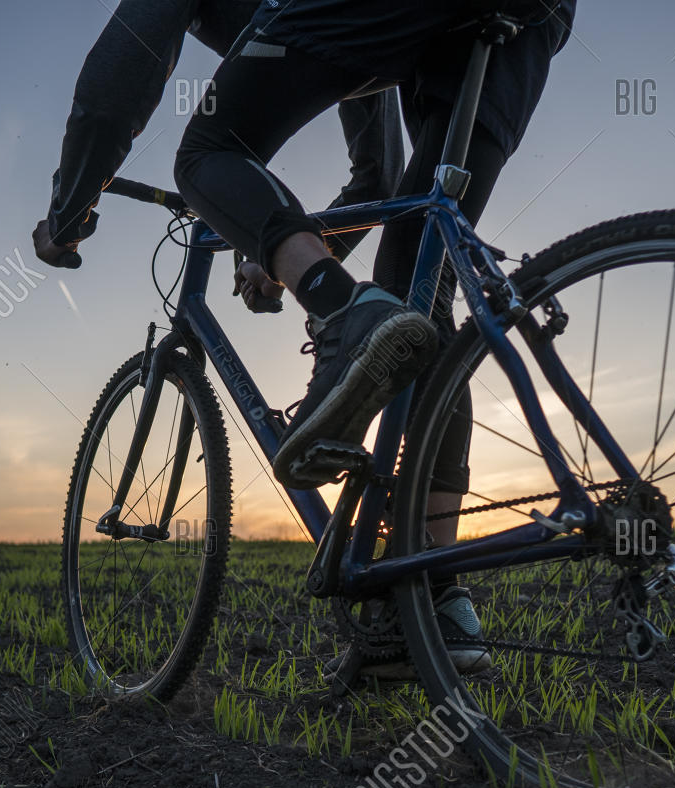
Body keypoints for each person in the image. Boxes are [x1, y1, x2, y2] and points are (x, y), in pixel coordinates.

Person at [175, 0, 575, 674]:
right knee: (417, 290)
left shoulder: (306, 21)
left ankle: (346, 317)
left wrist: (72, 203)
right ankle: (430, 595)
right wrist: (281, 245)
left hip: (451, 37)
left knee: (206, 156)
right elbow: (379, 173)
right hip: (526, 26)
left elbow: (126, 78)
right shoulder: (363, 49)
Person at [33, 0, 404, 272]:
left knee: (202, 156)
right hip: (429, 35)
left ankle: (342, 308)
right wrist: (290, 255)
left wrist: (68, 215)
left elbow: (106, 104)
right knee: (428, 224)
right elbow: (380, 181)